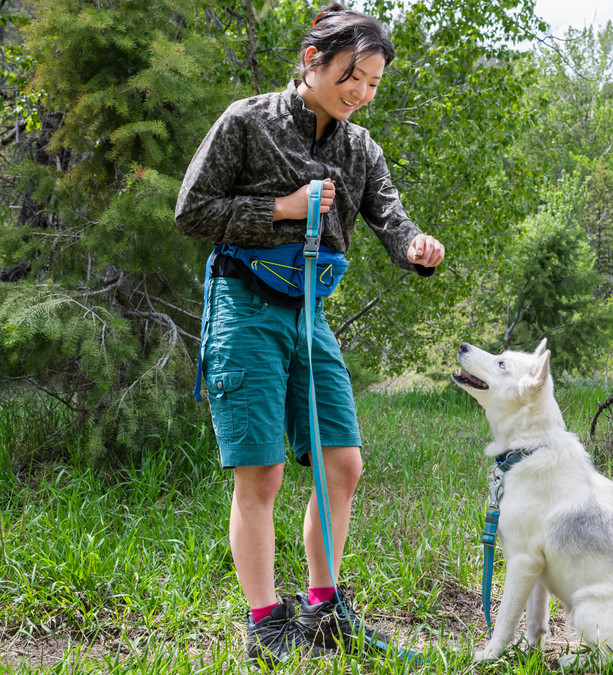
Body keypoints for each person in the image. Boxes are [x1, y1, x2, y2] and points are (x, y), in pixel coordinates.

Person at [175, 3, 444, 665]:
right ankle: (267, 623)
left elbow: (391, 217)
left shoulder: (360, 147)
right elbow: (192, 210)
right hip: (245, 303)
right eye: (351, 75)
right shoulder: (248, 121)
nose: (361, 92)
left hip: (310, 315)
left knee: (342, 464)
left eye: (374, 83)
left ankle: (324, 612)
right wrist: (283, 209)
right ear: (312, 61)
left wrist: (416, 246)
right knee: (261, 473)